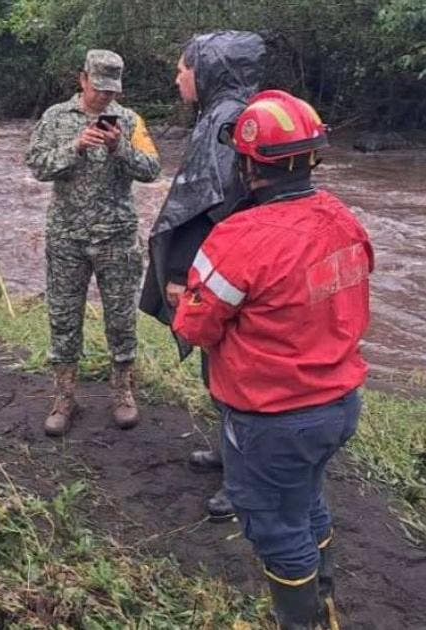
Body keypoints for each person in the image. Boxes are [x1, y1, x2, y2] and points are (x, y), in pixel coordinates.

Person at [172, 89, 372, 630]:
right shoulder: (342, 219)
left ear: (247, 163)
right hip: (339, 405)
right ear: (312, 158)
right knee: (306, 503)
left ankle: (299, 622)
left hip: (272, 417)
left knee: (273, 526)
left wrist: (186, 297)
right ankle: (323, 603)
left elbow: (196, 326)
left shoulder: (236, 238)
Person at [139, 31, 268, 521]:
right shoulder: (236, 114)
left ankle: (243, 482)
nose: (177, 78)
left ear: (207, 70)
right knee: (221, 366)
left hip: (227, 267)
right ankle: (229, 455)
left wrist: (180, 274)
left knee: (236, 372)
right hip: (236, 262)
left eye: (182, 69)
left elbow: (203, 207)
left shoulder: (225, 119)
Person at [25, 49, 161, 436]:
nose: (104, 97)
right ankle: (65, 396)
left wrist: (121, 148)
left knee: (121, 318)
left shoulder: (130, 120)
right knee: (64, 319)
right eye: (99, 88)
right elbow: (35, 165)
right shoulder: (56, 118)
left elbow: (153, 170)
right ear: (83, 79)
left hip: (116, 237)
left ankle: (123, 392)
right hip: (67, 236)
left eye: (111, 91)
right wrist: (75, 148)